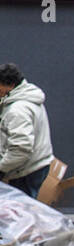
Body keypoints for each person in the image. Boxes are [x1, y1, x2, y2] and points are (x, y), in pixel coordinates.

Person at [0, 64, 55, 200]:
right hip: (36, 165)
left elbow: (20, 148)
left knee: (21, 214)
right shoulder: (27, 97)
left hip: (25, 170)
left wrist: (1, 168)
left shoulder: (18, 110)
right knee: (24, 210)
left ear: (10, 85)